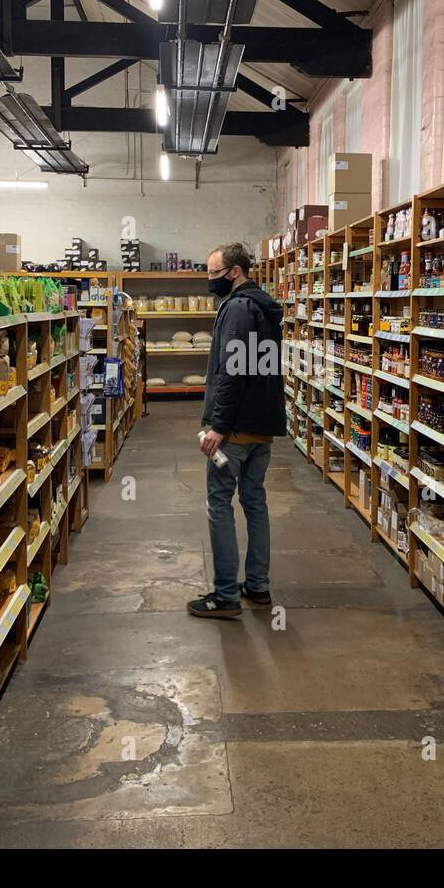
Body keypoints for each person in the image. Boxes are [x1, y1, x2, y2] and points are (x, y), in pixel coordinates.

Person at [188, 242, 286, 619]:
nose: (210, 280)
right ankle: (257, 586)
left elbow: (232, 371)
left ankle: (226, 595)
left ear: (234, 272)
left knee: (219, 504)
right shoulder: (263, 306)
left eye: (214, 273)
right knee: (255, 500)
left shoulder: (237, 309)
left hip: (236, 430)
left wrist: (218, 427)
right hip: (262, 426)